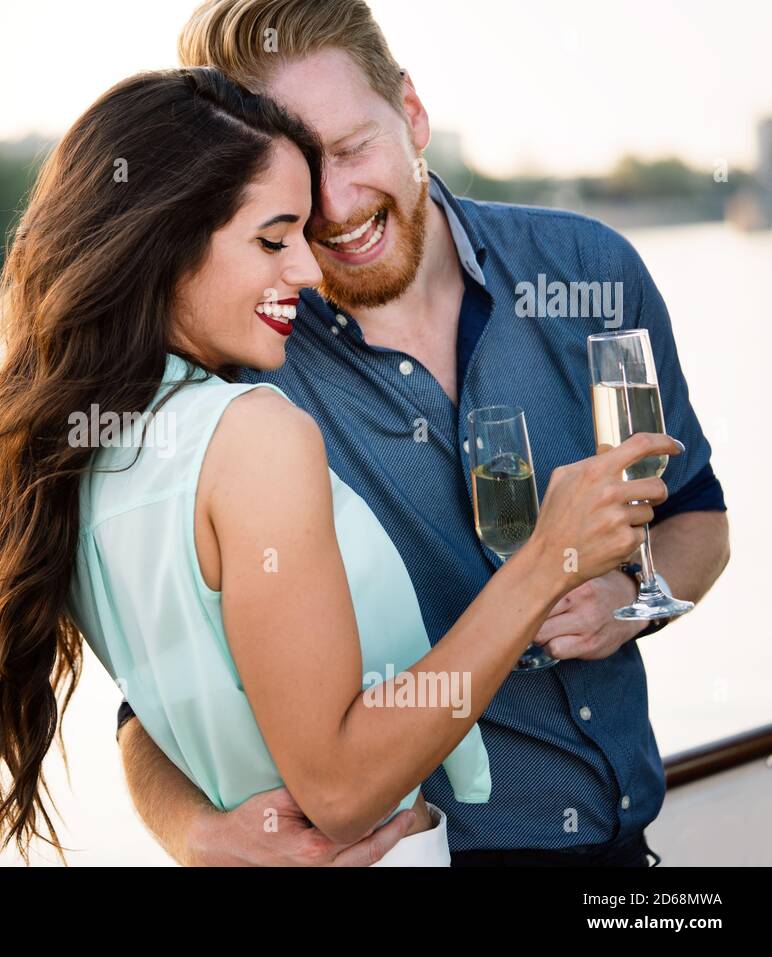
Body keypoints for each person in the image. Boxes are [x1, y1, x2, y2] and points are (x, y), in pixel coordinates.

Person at [0, 65, 680, 865]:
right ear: (166, 237)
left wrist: (202, 835)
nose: (309, 270)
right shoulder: (255, 430)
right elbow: (345, 792)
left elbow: (186, 683)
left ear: (411, 113)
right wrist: (543, 563)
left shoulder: (84, 448)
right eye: (272, 239)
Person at [112, 0, 730, 867]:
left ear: (411, 112)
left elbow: (698, 515)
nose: (332, 206)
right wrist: (196, 834)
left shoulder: (588, 270)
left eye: (355, 148)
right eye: (296, 172)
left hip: (630, 859)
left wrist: (629, 598)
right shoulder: (245, 375)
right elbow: (157, 690)